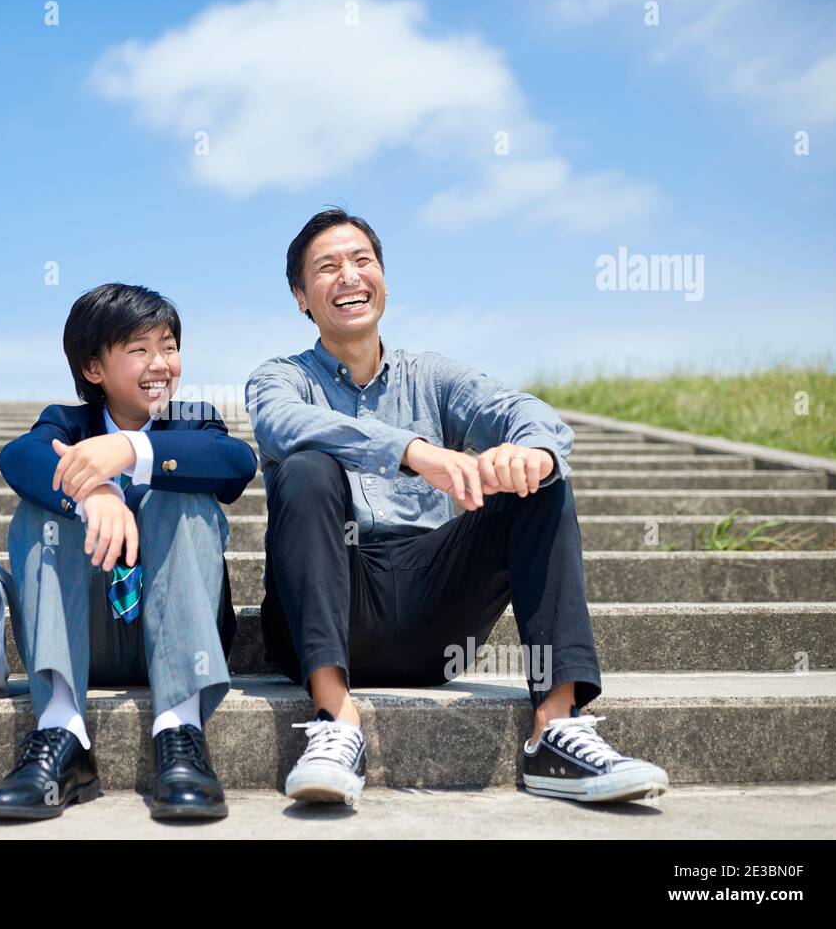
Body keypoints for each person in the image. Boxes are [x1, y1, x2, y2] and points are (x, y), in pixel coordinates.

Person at [245, 207, 669, 805]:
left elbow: (525, 411)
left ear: (384, 280)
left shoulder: (433, 375)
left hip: (432, 609)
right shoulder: (279, 378)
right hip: (328, 600)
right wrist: (415, 452)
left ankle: (554, 730)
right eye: (327, 267)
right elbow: (282, 425)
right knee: (308, 466)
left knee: (541, 478)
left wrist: (533, 453)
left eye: (362, 261)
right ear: (300, 297)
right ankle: (336, 722)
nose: (349, 276)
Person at [0, 282, 257, 821]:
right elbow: (18, 458)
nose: (161, 363)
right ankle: (62, 733)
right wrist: (92, 491)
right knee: (40, 512)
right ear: (93, 368)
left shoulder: (192, 420)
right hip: (88, 639)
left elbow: (235, 463)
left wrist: (131, 451)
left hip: (183, 637)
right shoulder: (67, 423)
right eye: (138, 349)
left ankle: (181, 732)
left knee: (186, 499)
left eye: (169, 345)